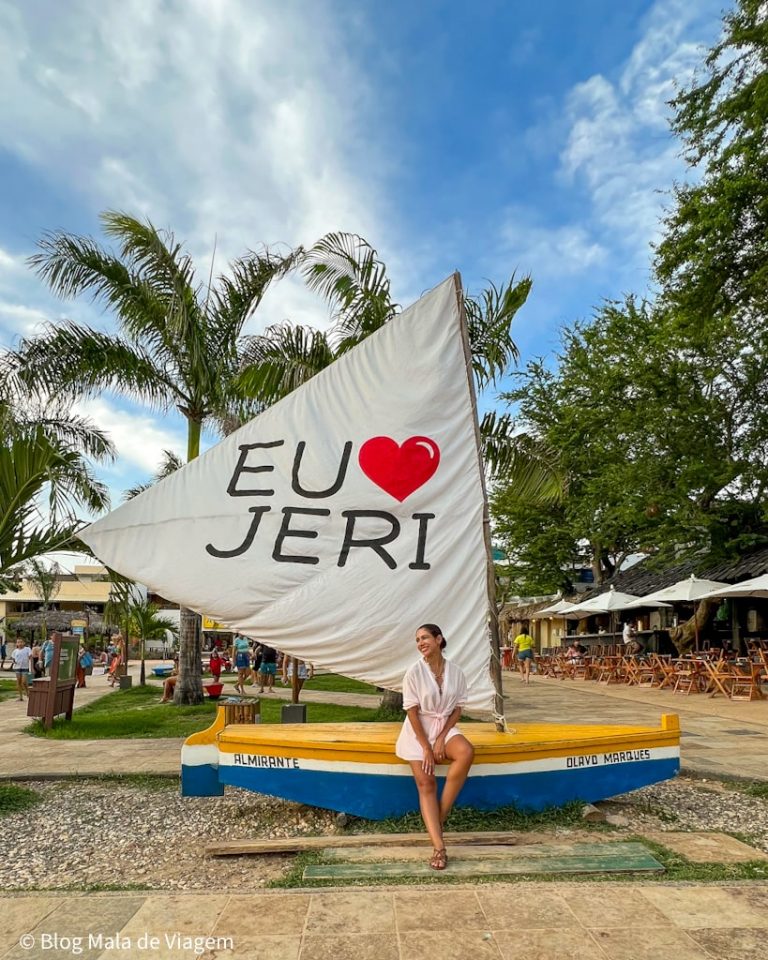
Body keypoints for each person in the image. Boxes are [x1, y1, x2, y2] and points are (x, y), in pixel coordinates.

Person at [395, 623, 474, 871]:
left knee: (466, 752)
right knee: (426, 783)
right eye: (417, 639)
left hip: (443, 727)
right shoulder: (414, 673)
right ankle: (439, 847)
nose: (420, 643)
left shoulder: (457, 672)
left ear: (439, 639)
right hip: (417, 730)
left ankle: (438, 818)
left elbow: (458, 707)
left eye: (425, 637)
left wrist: (440, 738)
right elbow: (411, 711)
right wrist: (427, 748)